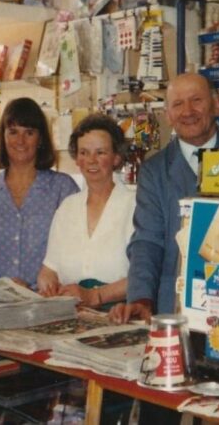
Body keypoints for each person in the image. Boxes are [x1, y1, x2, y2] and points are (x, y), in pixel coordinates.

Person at [111, 73, 219, 323]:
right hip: (175, 309)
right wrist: (141, 297)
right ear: (168, 115)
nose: (188, 111)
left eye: (196, 100)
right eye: (177, 104)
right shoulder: (154, 171)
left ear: (217, 104)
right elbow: (147, 242)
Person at [0, 97, 79, 285]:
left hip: (49, 306)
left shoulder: (63, 189)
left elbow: (78, 253)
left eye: (29, 132)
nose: (20, 141)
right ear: (3, 137)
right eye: (13, 132)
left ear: (40, 139)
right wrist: (5, 287)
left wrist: (39, 288)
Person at [37, 114, 134, 307]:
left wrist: (96, 295)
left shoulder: (136, 205)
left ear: (116, 158)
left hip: (120, 314)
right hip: (71, 313)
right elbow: (49, 269)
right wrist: (49, 285)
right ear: (76, 159)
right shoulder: (67, 207)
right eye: (84, 152)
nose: (91, 160)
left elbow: (145, 277)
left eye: (100, 152)